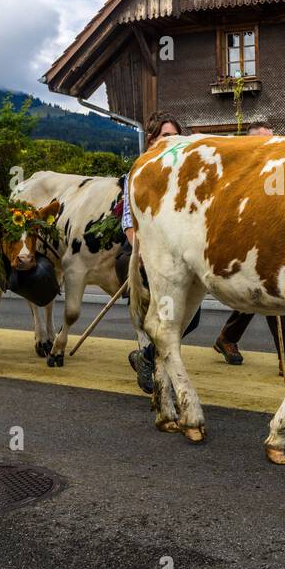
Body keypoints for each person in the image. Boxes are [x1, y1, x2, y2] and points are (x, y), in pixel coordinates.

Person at [124, 111, 199, 394]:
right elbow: (128, 220)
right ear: (153, 140)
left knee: (190, 318)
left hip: (178, 257)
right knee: (166, 316)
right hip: (143, 254)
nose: (173, 142)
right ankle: (157, 364)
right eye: (167, 136)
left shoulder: (183, 174)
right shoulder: (139, 172)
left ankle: (146, 357)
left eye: (177, 137)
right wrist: (142, 252)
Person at [211, 121, 285, 377]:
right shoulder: (237, 173)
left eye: (273, 140)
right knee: (274, 295)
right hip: (243, 245)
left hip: (273, 241)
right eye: (263, 142)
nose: (270, 146)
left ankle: (227, 337)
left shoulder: (280, 171)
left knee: (254, 294)